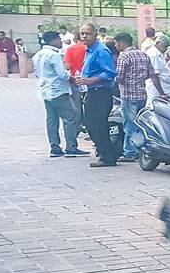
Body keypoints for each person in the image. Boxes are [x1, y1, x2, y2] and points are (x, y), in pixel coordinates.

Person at [33, 30, 85, 158]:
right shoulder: (53, 55)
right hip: (58, 91)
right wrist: (73, 77)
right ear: (53, 40)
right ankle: (71, 147)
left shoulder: (37, 55)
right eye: (58, 39)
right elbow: (62, 74)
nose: (60, 41)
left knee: (52, 119)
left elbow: (37, 73)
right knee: (70, 116)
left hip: (45, 91)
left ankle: (54, 146)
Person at [73, 23, 119, 167]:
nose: (84, 36)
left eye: (87, 33)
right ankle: (105, 152)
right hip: (92, 91)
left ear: (95, 35)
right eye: (82, 33)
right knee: (90, 124)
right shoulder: (89, 50)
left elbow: (110, 73)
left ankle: (108, 156)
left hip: (101, 92)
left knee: (97, 125)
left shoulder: (101, 51)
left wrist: (89, 80)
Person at [114, 31, 162, 161]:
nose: (116, 46)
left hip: (128, 96)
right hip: (142, 95)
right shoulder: (143, 54)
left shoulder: (124, 56)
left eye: (116, 43)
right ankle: (140, 149)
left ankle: (130, 152)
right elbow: (152, 75)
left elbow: (119, 77)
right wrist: (162, 92)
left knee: (129, 125)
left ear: (122, 43)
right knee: (141, 124)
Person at [145, 33, 170, 103]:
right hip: (157, 88)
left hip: (164, 85)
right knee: (155, 106)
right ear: (158, 43)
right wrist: (162, 93)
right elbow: (154, 76)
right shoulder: (154, 55)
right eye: (165, 46)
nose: (165, 49)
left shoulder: (158, 53)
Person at [64, 31, 87, 127]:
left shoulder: (70, 49)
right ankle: (88, 124)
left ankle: (77, 126)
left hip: (75, 79)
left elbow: (68, 66)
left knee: (76, 105)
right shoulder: (88, 49)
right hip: (90, 79)